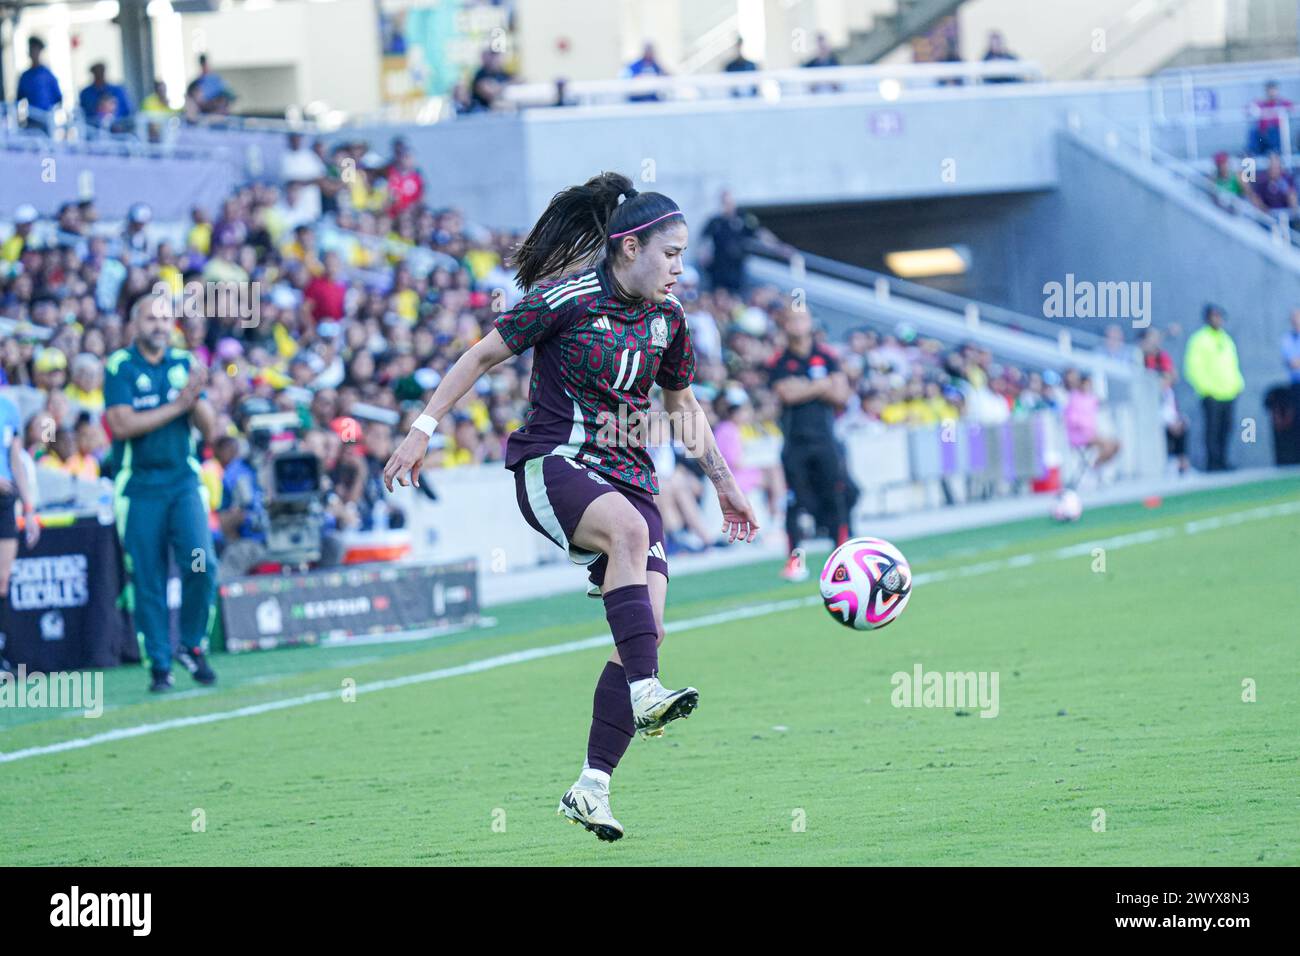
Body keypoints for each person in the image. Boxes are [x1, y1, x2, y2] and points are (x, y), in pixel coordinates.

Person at [382, 171, 760, 842]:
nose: (681, 267)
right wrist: (422, 430)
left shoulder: (669, 321)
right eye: (671, 254)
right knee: (625, 539)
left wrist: (725, 483)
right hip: (553, 465)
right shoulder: (565, 298)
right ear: (629, 249)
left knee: (648, 630)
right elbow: (480, 356)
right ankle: (647, 694)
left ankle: (592, 787)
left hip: (631, 479)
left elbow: (682, 409)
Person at [103, 294, 220, 692]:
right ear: (136, 324)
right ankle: (159, 663)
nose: (158, 325)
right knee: (148, 577)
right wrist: (178, 404)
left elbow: (211, 429)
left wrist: (199, 398)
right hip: (138, 486)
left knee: (201, 563)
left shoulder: (184, 364)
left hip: (182, 482)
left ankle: (191, 643)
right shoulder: (120, 365)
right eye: (150, 318)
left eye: (164, 317)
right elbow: (121, 425)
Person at [767, 307, 852, 582]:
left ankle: (842, 558)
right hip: (795, 442)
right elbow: (786, 395)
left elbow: (841, 395)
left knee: (836, 496)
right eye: (792, 320)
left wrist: (805, 386)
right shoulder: (780, 360)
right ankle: (794, 561)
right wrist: (821, 385)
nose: (797, 324)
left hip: (825, 440)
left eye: (801, 319)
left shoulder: (827, 355)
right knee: (795, 502)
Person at [0, 391, 41, 674]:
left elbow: (15, 458)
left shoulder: (8, 408)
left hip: (5, 500)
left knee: (2, 580)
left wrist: (28, 508)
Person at [1183, 304, 1244, 472]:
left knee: (1226, 428)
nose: (1217, 320)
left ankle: (1223, 460)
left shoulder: (1226, 338)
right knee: (1212, 430)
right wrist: (1205, 388)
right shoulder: (1199, 339)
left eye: (1219, 316)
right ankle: (1213, 463)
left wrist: (1238, 383)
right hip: (1211, 393)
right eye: (1214, 316)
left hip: (1229, 392)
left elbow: (1233, 364)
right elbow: (1193, 367)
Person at [16, 37, 62, 134]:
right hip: (31, 120)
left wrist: (52, 116)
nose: (33, 53)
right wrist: (20, 119)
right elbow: (19, 100)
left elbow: (58, 99)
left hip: (46, 121)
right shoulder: (25, 76)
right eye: (31, 50)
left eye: (35, 50)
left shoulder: (48, 75)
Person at [78, 63, 132, 128]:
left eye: (101, 72)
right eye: (96, 73)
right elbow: (82, 113)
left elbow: (127, 111)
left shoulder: (117, 90)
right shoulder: (85, 93)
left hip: (119, 129)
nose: (99, 75)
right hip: (93, 130)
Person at [1248, 81, 1293, 156]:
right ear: (1266, 91)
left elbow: (1292, 108)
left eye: (1273, 90)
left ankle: (1274, 153)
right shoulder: (1261, 103)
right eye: (1269, 90)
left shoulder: (1282, 103)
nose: (1271, 92)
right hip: (1262, 133)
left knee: (1272, 131)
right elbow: (1249, 109)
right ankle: (1252, 154)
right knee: (1253, 131)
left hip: (1277, 134)